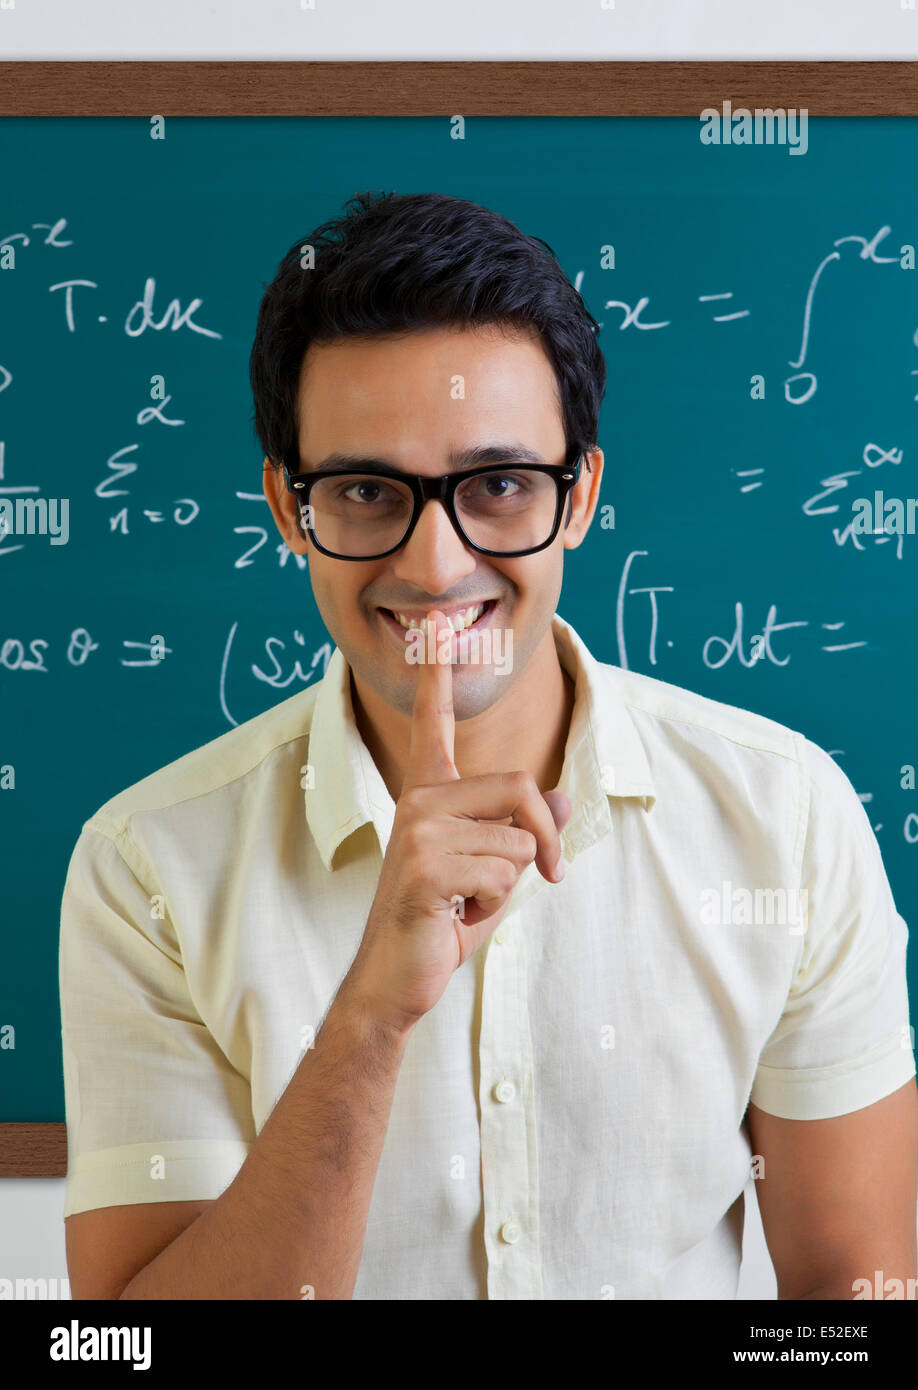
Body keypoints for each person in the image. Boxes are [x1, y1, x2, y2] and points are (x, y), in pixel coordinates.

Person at [61, 191, 917, 1301]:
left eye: (498, 485)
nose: (434, 564)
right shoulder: (147, 866)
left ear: (580, 496)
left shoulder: (785, 818)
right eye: (367, 491)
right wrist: (370, 1016)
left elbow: (859, 1298)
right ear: (287, 504)